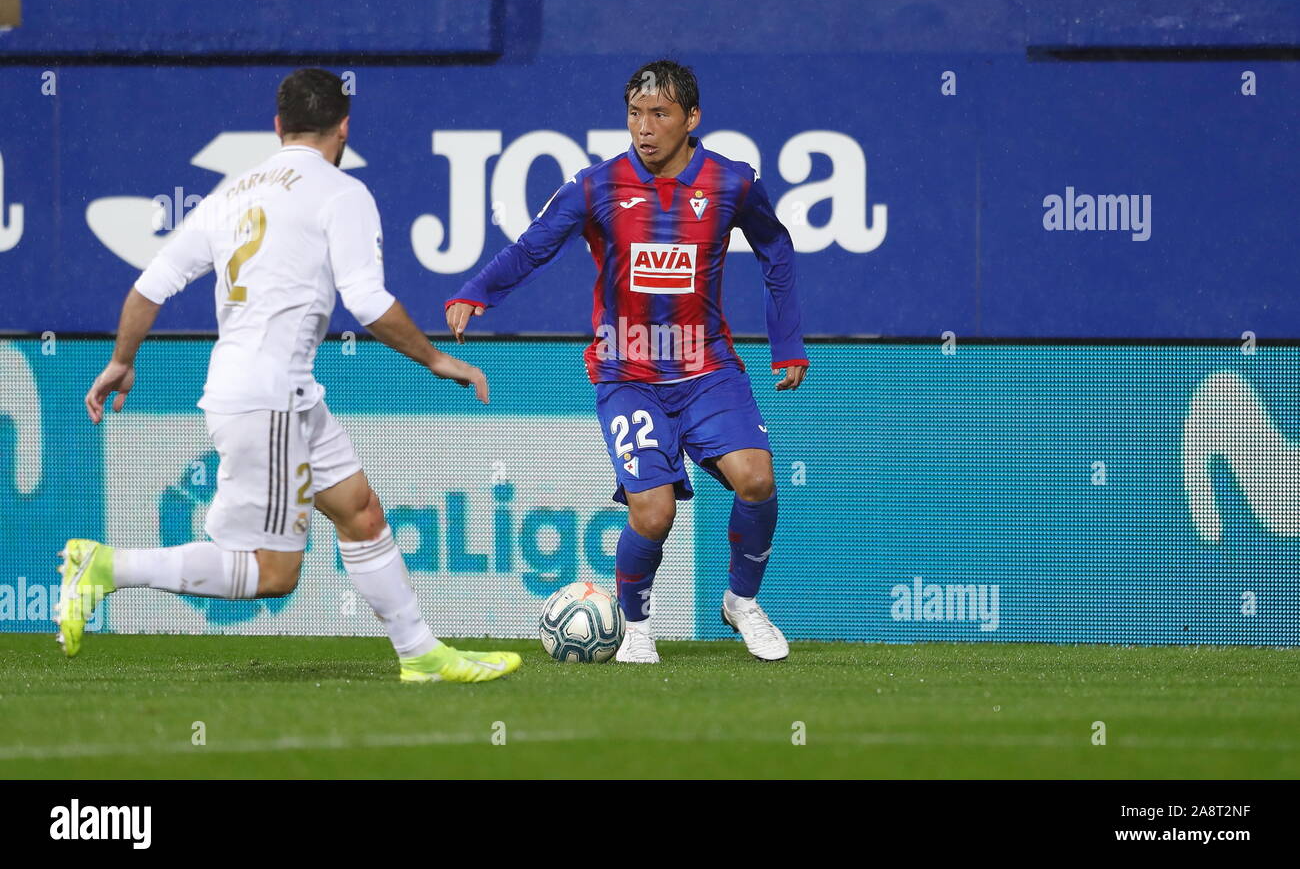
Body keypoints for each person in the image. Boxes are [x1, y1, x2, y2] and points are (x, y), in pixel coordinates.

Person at [58, 68, 521, 684]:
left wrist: (121, 360)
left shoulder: (231, 192)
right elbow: (367, 301)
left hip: (280, 391)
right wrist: (439, 359)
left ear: (278, 126)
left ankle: (422, 655)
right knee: (274, 574)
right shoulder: (340, 192)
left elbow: (151, 285)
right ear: (344, 127)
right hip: (268, 395)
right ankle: (108, 568)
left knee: (360, 511)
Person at [446, 59, 807, 663]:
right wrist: (476, 291)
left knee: (759, 479)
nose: (644, 127)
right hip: (627, 375)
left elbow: (776, 246)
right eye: (635, 114)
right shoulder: (596, 185)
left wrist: (786, 340)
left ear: (691, 119)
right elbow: (534, 245)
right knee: (654, 511)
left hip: (708, 370)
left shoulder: (732, 182)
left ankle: (741, 603)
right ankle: (635, 625)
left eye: (660, 114)